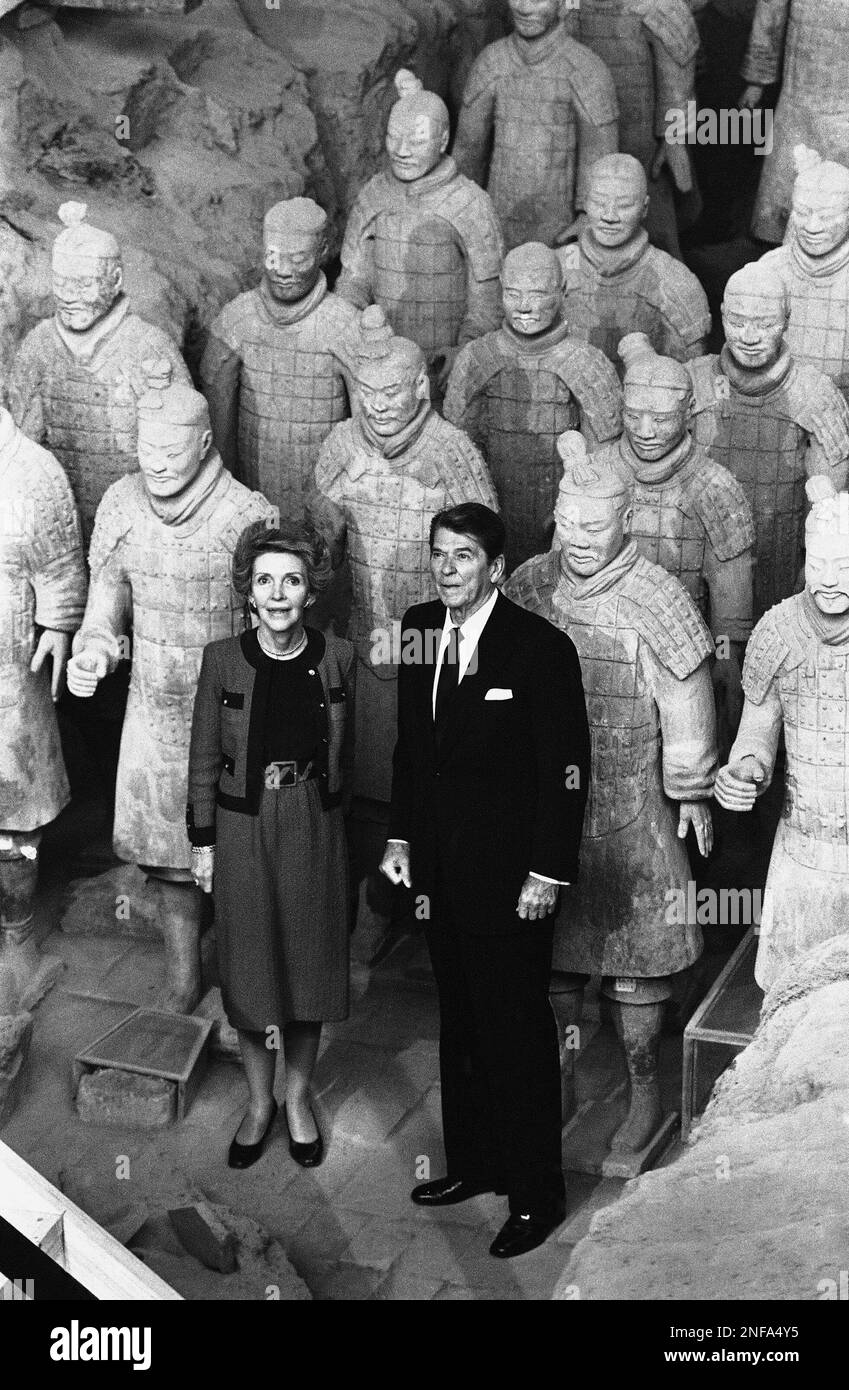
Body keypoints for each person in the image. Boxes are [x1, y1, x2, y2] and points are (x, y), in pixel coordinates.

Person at [380, 502, 590, 1259]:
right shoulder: (416, 627)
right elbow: (411, 749)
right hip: (438, 874)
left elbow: (564, 774)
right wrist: (400, 835)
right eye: (438, 554)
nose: (446, 569)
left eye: (462, 556)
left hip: (511, 883)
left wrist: (547, 871)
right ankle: (474, 1165)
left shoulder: (539, 649)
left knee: (516, 1034)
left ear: (495, 568)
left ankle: (536, 1194)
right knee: (462, 1024)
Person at [506, 440, 717, 1155]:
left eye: (593, 526)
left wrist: (689, 789)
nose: (577, 539)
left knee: (635, 966)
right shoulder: (530, 583)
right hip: (544, 806)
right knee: (555, 961)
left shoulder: (657, 595)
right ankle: (557, 1082)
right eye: (567, 522)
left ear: (624, 518)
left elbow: (685, 698)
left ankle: (642, 1092)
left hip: (630, 804)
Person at [66, 364, 275, 1013]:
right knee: (168, 862)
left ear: (206, 445)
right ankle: (184, 981)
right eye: (146, 447)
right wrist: (93, 648)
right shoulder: (122, 504)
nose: (155, 463)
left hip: (232, 717)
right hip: (153, 709)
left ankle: (248, 986)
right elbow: (105, 603)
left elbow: (271, 633)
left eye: (171, 449)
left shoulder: (247, 516)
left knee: (240, 861)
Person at [309, 305, 497, 962]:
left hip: (436, 651)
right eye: (367, 393)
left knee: (429, 782)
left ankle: (426, 905)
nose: (379, 406)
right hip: (364, 640)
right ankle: (375, 898)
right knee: (363, 782)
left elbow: (482, 560)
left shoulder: (453, 455)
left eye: (393, 392)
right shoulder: (339, 446)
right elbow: (322, 552)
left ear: (422, 387)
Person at [187, 519, 356, 1170]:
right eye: (265, 581)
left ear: (310, 591)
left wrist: (336, 825)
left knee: (309, 968)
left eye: (291, 580)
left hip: (314, 820)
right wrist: (202, 842)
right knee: (253, 972)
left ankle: (296, 1099)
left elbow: (351, 754)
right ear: (248, 593)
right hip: (241, 826)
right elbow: (203, 756)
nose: (278, 593)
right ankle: (258, 1104)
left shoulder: (337, 657)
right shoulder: (221, 660)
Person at [715, 479, 849, 990]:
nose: (830, 581)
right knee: (788, 1002)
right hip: (802, 853)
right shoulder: (779, 630)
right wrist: (744, 770)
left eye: (844, 567)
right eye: (819, 565)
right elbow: (756, 736)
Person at [444, 240, 622, 571]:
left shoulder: (587, 364)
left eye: (538, 294)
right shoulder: (477, 358)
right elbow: (457, 459)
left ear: (563, 290)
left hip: (564, 534)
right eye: (513, 294)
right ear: (499, 288)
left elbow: (603, 469)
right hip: (487, 530)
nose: (525, 307)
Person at [336, 69, 503, 401]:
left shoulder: (470, 204)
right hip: (378, 368)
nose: (401, 150)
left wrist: (465, 350)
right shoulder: (374, 194)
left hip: (444, 372)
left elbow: (487, 300)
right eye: (393, 137)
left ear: (442, 142)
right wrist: (350, 326)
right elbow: (353, 279)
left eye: (416, 141)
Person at [200, 198, 358, 520]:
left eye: (298, 259)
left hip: (326, 508)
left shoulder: (346, 325)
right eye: (273, 257)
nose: (283, 271)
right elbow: (218, 430)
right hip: (253, 502)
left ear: (324, 249)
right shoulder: (238, 320)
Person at [453, 0, 618, 250]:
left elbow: (601, 158)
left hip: (559, 234)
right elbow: (467, 151)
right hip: (494, 225)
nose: (523, 7)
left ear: (563, 3)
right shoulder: (491, 62)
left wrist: (587, 217)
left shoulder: (586, 69)